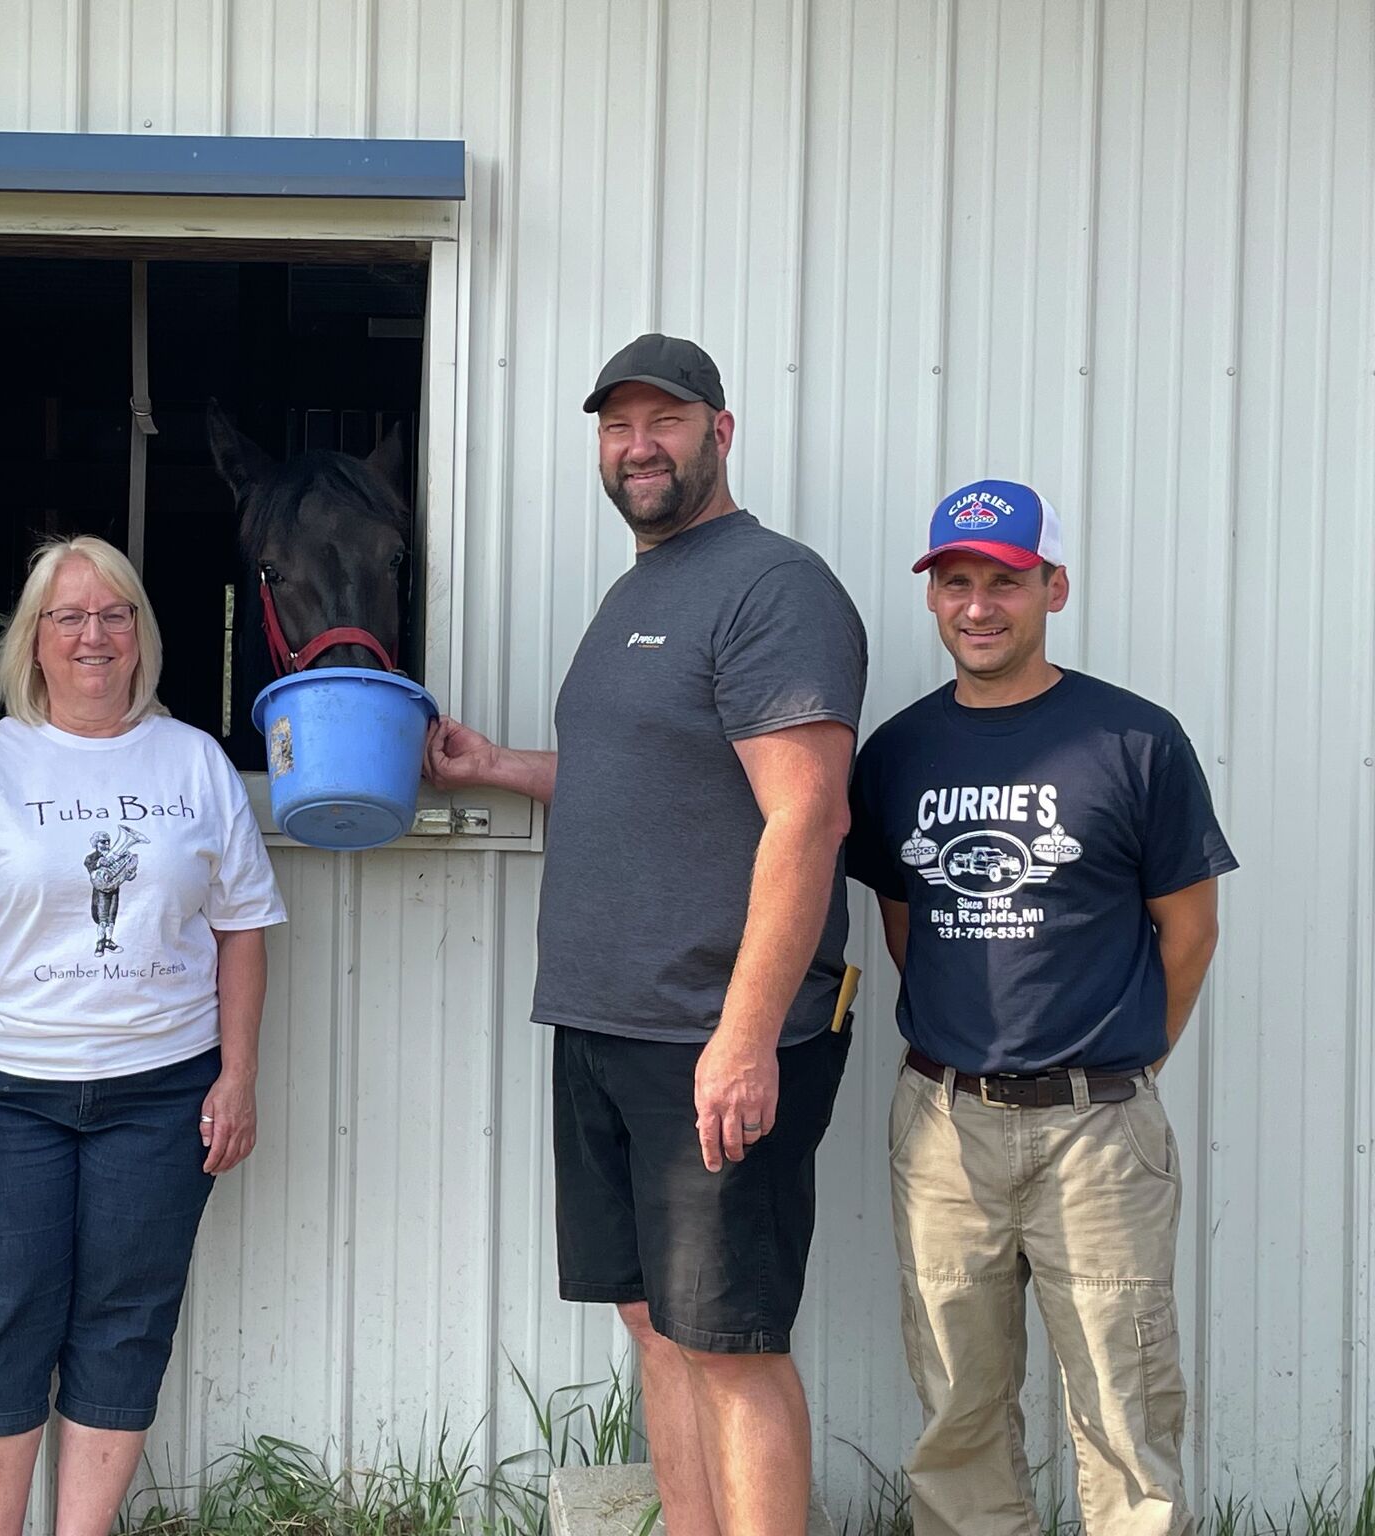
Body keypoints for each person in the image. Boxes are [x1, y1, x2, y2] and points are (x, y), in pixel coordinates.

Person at [425, 334, 867, 1536]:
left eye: (663, 421)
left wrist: (743, 1038)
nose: (637, 446)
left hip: (708, 1033)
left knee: (727, 1339)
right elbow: (648, 778)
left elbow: (805, 814)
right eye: (617, 425)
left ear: (719, 433)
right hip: (606, 1019)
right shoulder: (639, 590)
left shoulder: (771, 586)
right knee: (650, 1320)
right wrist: (500, 767)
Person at [847, 480, 1235, 1536]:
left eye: (1004, 582)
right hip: (942, 1124)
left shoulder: (1133, 742)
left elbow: (1187, 933)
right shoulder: (894, 754)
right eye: (956, 582)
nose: (978, 605)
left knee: (1122, 1410)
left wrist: (1124, 1064)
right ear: (932, 599)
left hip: (1098, 1130)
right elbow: (902, 923)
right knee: (956, 1415)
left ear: (1052, 587)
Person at [0, 534, 285, 1536]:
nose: (92, 635)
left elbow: (240, 930)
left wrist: (235, 1077)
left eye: (113, 614)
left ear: (140, 636)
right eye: (67, 616)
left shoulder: (193, 760)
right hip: (9, 1093)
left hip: (160, 1093)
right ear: (33, 640)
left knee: (125, 1322)